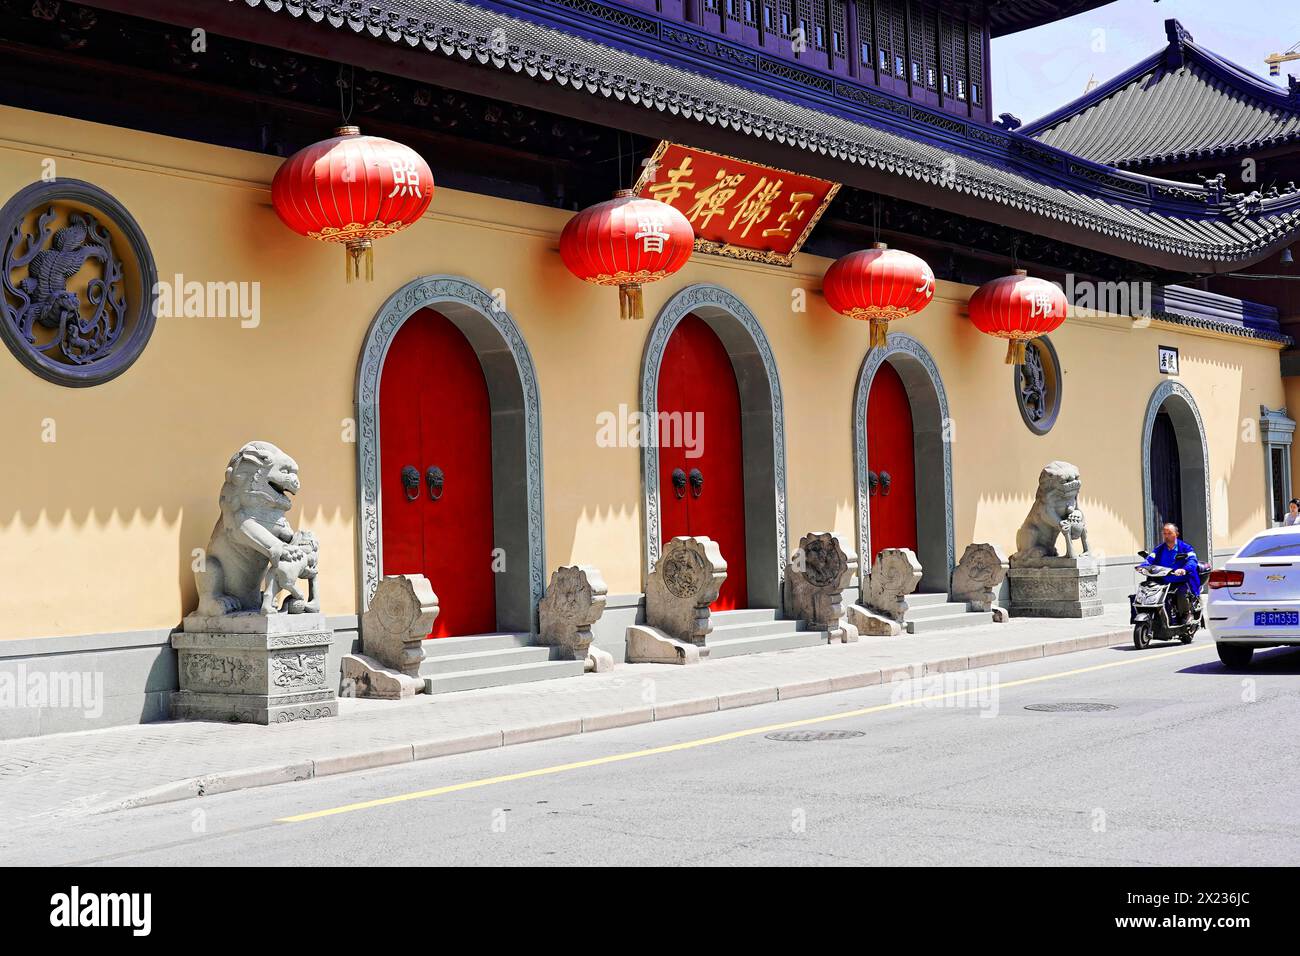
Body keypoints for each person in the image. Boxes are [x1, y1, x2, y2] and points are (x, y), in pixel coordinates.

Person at [1140, 522, 1200, 623]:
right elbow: (1150, 559)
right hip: (1163, 581)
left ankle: (1187, 613)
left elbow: (1193, 560)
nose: (1166, 536)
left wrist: (1184, 569)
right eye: (1164, 533)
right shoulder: (1159, 549)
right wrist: (1143, 567)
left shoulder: (1185, 548)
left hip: (1181, 580)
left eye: (1169, 533)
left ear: (1176, 534)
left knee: (1182, 592)